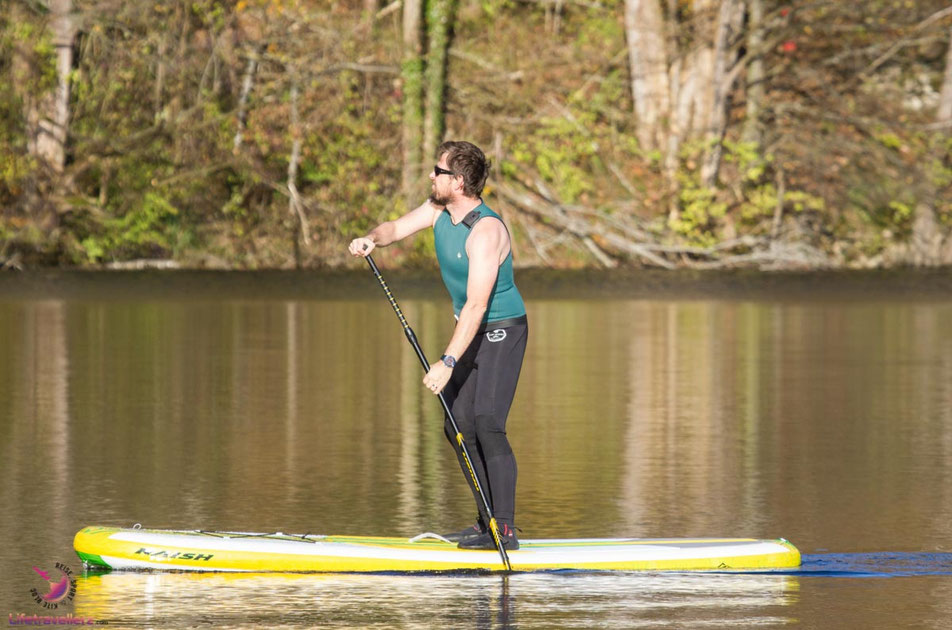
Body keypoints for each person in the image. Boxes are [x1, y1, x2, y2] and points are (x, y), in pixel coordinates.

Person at [348, 141, 527, 550]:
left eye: (438, 171)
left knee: (487, 423)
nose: (431, 176)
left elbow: (477, 305)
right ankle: (485, 523)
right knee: (457, 424)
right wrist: (370, 238)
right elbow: (394, 229)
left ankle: (506, 530)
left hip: (502, 330)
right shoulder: (438, 211)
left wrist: (447, 361)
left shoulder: (486, 231)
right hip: (470, 330)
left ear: (458, 182)